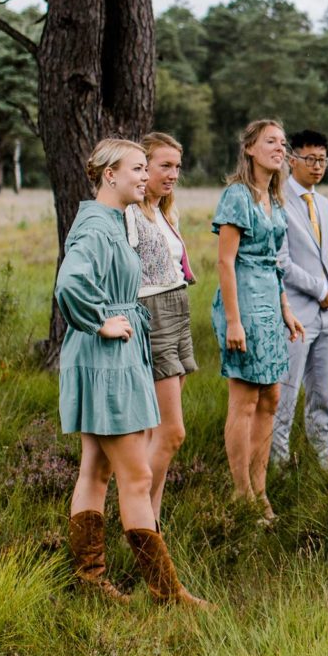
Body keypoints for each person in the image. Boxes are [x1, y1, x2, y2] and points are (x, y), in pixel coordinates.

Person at [60, 138, 207, 607]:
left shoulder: (110, 220)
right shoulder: (96, 229)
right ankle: (166, 592)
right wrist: (100, 320)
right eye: (137, 168)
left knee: (95, 471)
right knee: (138, 477)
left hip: (109, 357)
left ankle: (90, 582)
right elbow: (70, 281)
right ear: (110, 175)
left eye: (147, 169)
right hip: (106, 357)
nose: (145, 177)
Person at [213, 119, 305, 524]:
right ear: (249, 148)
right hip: (244, 302)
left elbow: (273, 261)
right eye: (270, 141)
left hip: (270, 296)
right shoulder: (237, 195)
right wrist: (234, 320)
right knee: (245, 399)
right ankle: (241, 493)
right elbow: (224, 261)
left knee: (271, 398)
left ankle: (261, 489)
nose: (279, 148)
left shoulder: (277, 199)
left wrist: (286, 308)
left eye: (283, 143)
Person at [123, 132, 197, 528]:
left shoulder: (166, 211)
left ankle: (152, 521)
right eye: (164, 166)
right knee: (172, 432)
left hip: (178, 309)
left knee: (157, 433)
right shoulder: (130, 213)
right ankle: (137, 522)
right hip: (153, 312)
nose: (173, 175)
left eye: (177, 167)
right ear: (142, 168)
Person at [271, 129, 328, 471]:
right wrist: (320, 291)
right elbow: (281, 262)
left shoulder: (325, 204)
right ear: (291, 159)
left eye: (323, 160)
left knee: (324, 396)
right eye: (310, 159)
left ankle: (322, 462)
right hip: (296, 313)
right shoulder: (277, 199)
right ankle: (279, 466)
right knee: (285, 395)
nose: (317, 167)